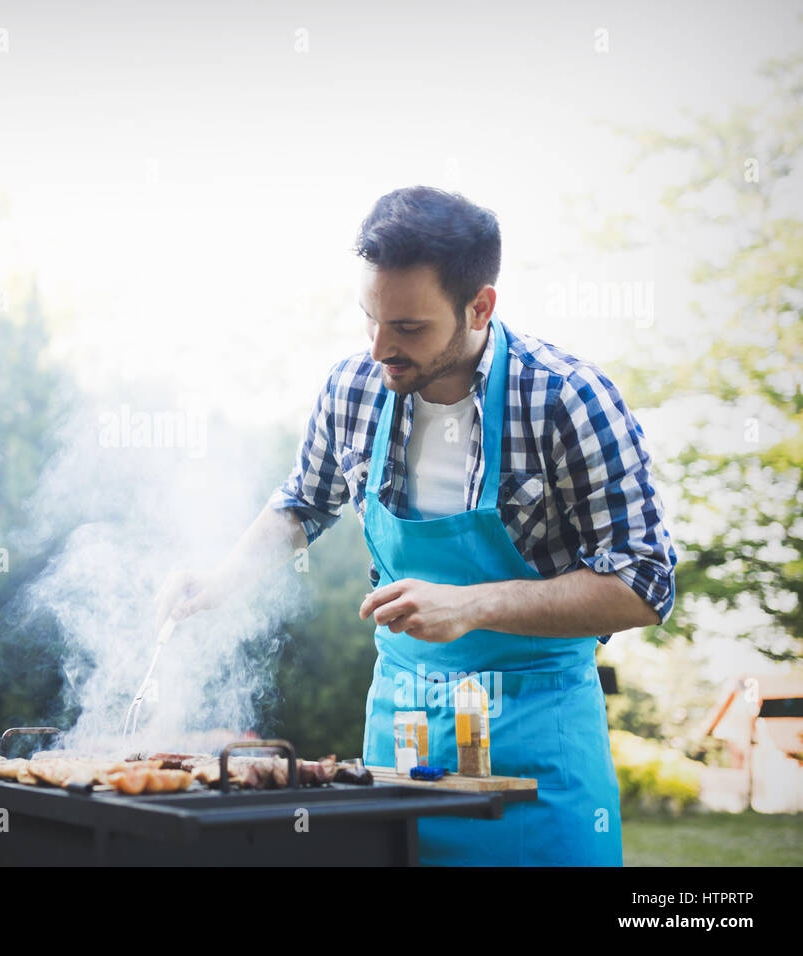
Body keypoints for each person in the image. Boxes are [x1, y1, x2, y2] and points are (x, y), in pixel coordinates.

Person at [155, 186, 678, 866]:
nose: (379, 349)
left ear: (480, 307)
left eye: (408, 329)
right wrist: (220, 581)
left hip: (539, 750)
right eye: (370, 319)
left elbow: (644, 584)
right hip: (398, 750)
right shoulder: (353, 389)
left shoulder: (566, 399)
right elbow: (303, 502)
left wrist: (475, 604)